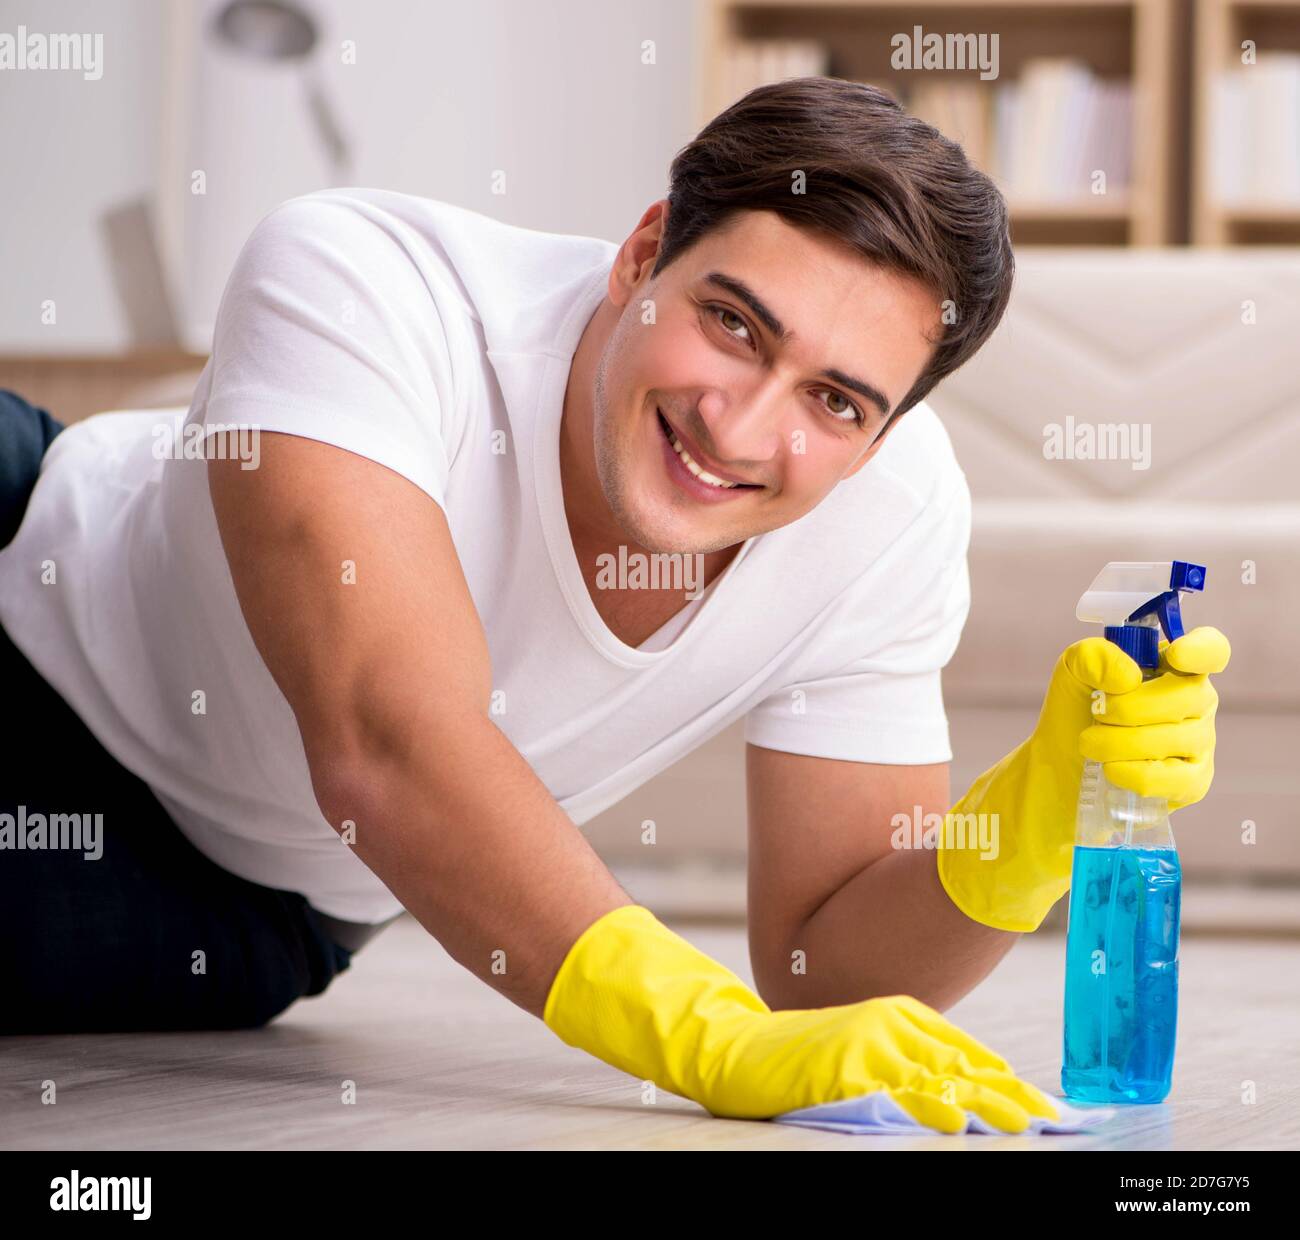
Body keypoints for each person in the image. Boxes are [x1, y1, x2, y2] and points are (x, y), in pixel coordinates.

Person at [0, 78, 1227, 1131]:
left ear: (887, 433)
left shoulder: (893, 518)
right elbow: (383, 737)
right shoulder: (370, 280)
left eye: (838, 402)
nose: (740, 427)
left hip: (225, 903)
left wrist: (1025, 819)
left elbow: (821, 971)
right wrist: (701, 1033)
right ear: (642, 255)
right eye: (732, 324)